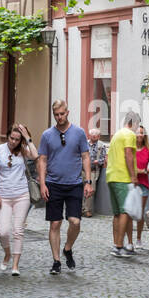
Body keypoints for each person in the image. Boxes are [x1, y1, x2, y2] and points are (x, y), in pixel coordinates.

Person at [38, 100, 92, 275]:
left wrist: (88, 181)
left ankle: (67, 248)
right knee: (55, 223)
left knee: (75, 221)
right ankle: (56, 261)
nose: (59, 117)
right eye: (56, 115)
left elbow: (85, 156)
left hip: (74, 183)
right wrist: (43, 183)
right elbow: (42, 160)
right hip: (53, 183)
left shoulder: (78, 132)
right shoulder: (47, 135)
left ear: (67, 112)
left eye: (62, 114)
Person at [0, 123, 37, 276]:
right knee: (3, 232)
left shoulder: (23, 151)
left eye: (17, 139)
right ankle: (7, 254)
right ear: (7, 136)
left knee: (18, 231)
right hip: (3, 196)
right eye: (12, 138)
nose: (13, 142)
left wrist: (28, 138)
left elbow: (36, 155)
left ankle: (15, 265)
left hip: (21, 195)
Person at [105, 111, 142, 257]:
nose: (137, 128)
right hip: (122, 177)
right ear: (132, 122)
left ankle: (116, 244)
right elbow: (128, 154)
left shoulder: (117, 135)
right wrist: (133, 176)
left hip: (111, 176)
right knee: (125, 212)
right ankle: (120, 246)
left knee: (117, 213)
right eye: (137, 124)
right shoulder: (129, 135)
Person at [132, 124, 149, 247]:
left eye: (142, 133)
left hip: (143, 184)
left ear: (144, 135)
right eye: (137, 132)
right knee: (127, 212)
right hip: (130, 182)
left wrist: (144, 171)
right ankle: (128, 240)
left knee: (139, 212)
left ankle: (138, 239)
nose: (140, 135)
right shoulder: (129, 148)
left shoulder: (148, 150)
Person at [85, 128, 108, 218]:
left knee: (90, 190)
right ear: (89, 135)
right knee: (80, 190)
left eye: (96, 135)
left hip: (93, 170)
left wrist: (98, 161)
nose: (94, 136)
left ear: (99, 136)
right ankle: (81, 208)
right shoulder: (85, 144)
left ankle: (87, 210)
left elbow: (104, 158)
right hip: (82, 170)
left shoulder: (101, 145)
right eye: (92, 135)